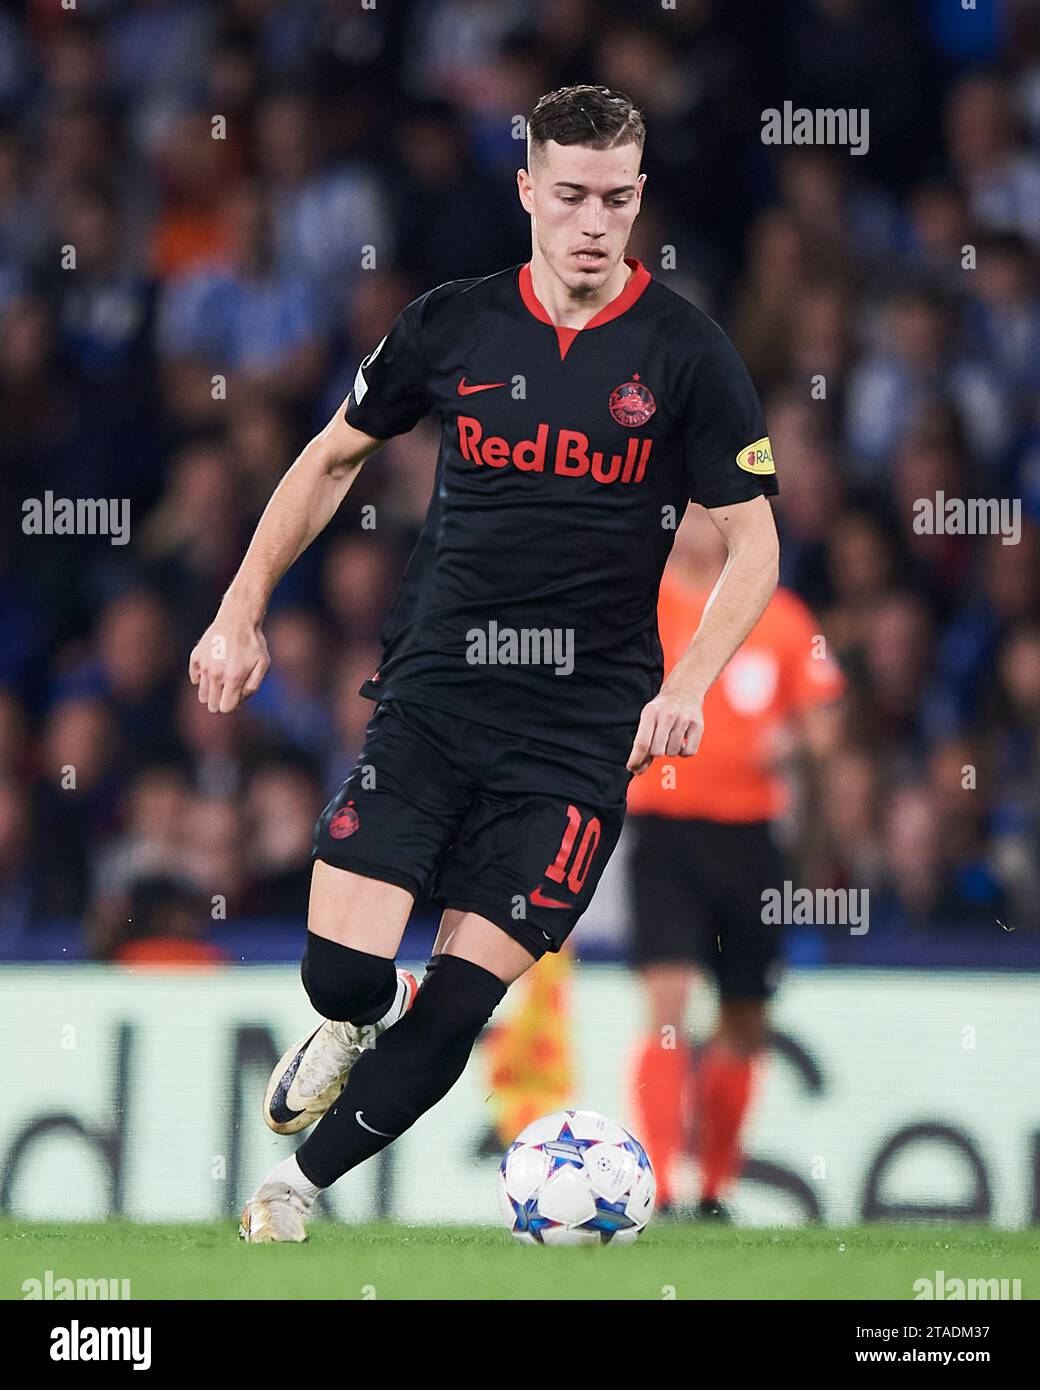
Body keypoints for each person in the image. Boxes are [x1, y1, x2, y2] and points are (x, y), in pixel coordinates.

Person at [188, 85, 780, 1242]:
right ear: (525, 192)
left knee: (464, 997)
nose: (592, 222)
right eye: (568, 196)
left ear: (639, 197)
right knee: (337, 976)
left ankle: (294, 1189)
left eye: (615, 198)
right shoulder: (452, 325)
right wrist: (239, 608)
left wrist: (689, 680)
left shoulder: (686, 352)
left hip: (575, 738)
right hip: (433, 699)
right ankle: (361, 1011)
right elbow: (326, 460)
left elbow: (754, 540)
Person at [627, 506, 844, 1218]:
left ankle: (714, 1187)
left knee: (743, 1018)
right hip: (664, 830)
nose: (695, 524)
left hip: (750, 840)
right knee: (667, 1000)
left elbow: (824, 721)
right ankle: (658, 1183)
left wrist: (795, 742)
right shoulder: (639, 601)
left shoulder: (778, 615)